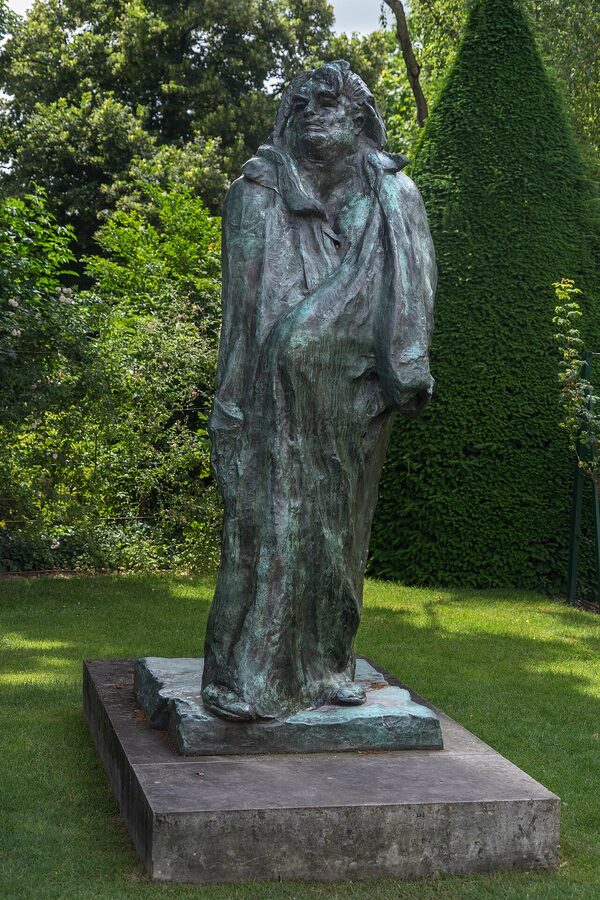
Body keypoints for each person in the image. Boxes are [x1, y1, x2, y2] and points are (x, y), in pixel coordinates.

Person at [202, 60, 436, 721]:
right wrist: (229, 409)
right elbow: (241, 315)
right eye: (301, 105)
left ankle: (329, 665)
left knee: (340, 537)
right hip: (269, 401)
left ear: (359, 116)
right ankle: (242, 675)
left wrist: (404, 376)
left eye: (329, 103)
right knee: (262, 529)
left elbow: (414, 289)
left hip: (356, 397)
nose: (314, 114)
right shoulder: (256, 194)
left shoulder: (395, 196)